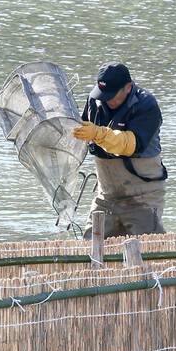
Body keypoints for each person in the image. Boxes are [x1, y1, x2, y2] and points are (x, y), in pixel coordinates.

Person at [72, 62, 167, 237]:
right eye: (103, 95)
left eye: (112, 95)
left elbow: (129, 145)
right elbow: (79, 135)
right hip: (106, 196)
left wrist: (98, 133)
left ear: (128, 87)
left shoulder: (147, 105)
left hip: (143, 196)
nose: (107, 100)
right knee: (90, 244)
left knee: (148, 248)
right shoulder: (95, 100)